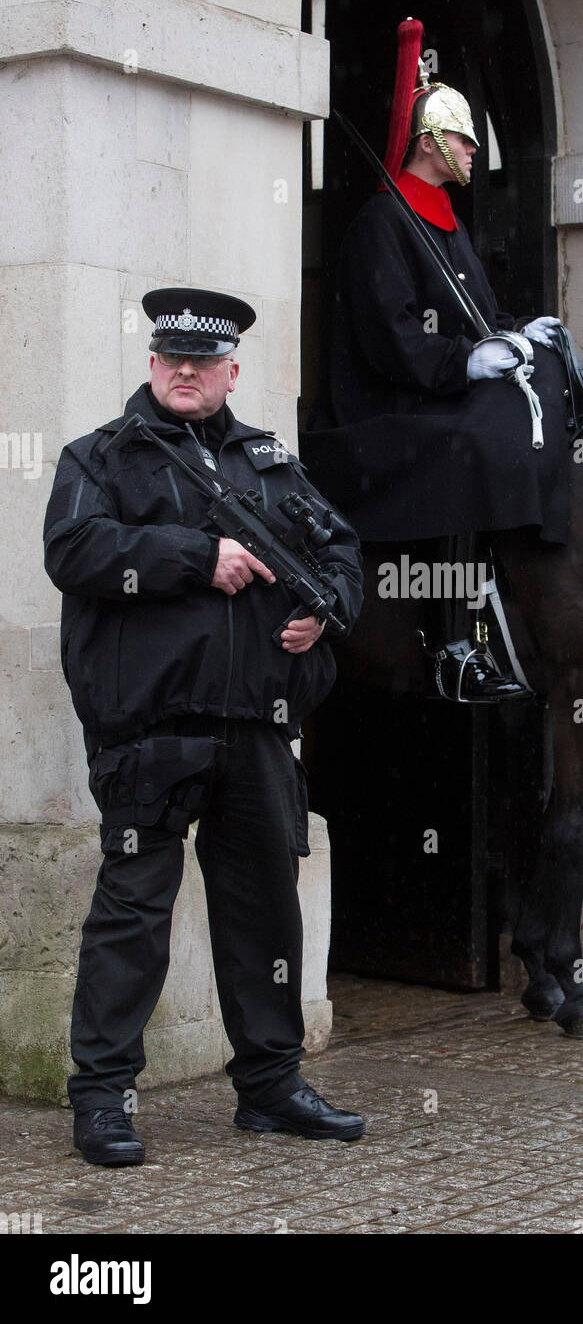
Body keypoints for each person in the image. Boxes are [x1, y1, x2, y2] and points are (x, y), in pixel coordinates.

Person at [43, 287, 365, 1166]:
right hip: (150, 728)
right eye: (171, 359)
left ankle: (270, 1087)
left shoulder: (269, 463)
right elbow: (72, 552)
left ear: (230, 371)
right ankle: (103, 1098)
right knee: (132, 916)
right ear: (151, 366)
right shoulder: (101, 457)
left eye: (203, 362)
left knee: (264, 918)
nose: (186, 372)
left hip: (257, 726)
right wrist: (196, 556)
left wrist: (324, 612)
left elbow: (341, 551)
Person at [302, 19, 568, 703]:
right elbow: (391, 336)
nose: (474, 152)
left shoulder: (442, 221)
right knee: (474, 444)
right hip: (388, 404)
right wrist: (464, 364)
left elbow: (473, 318)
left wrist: (514, 334)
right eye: (462, 139)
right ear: (428, 142)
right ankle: (454, 643)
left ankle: (515, 605)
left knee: (533, 415)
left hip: (437, 391)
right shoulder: (382, 224)